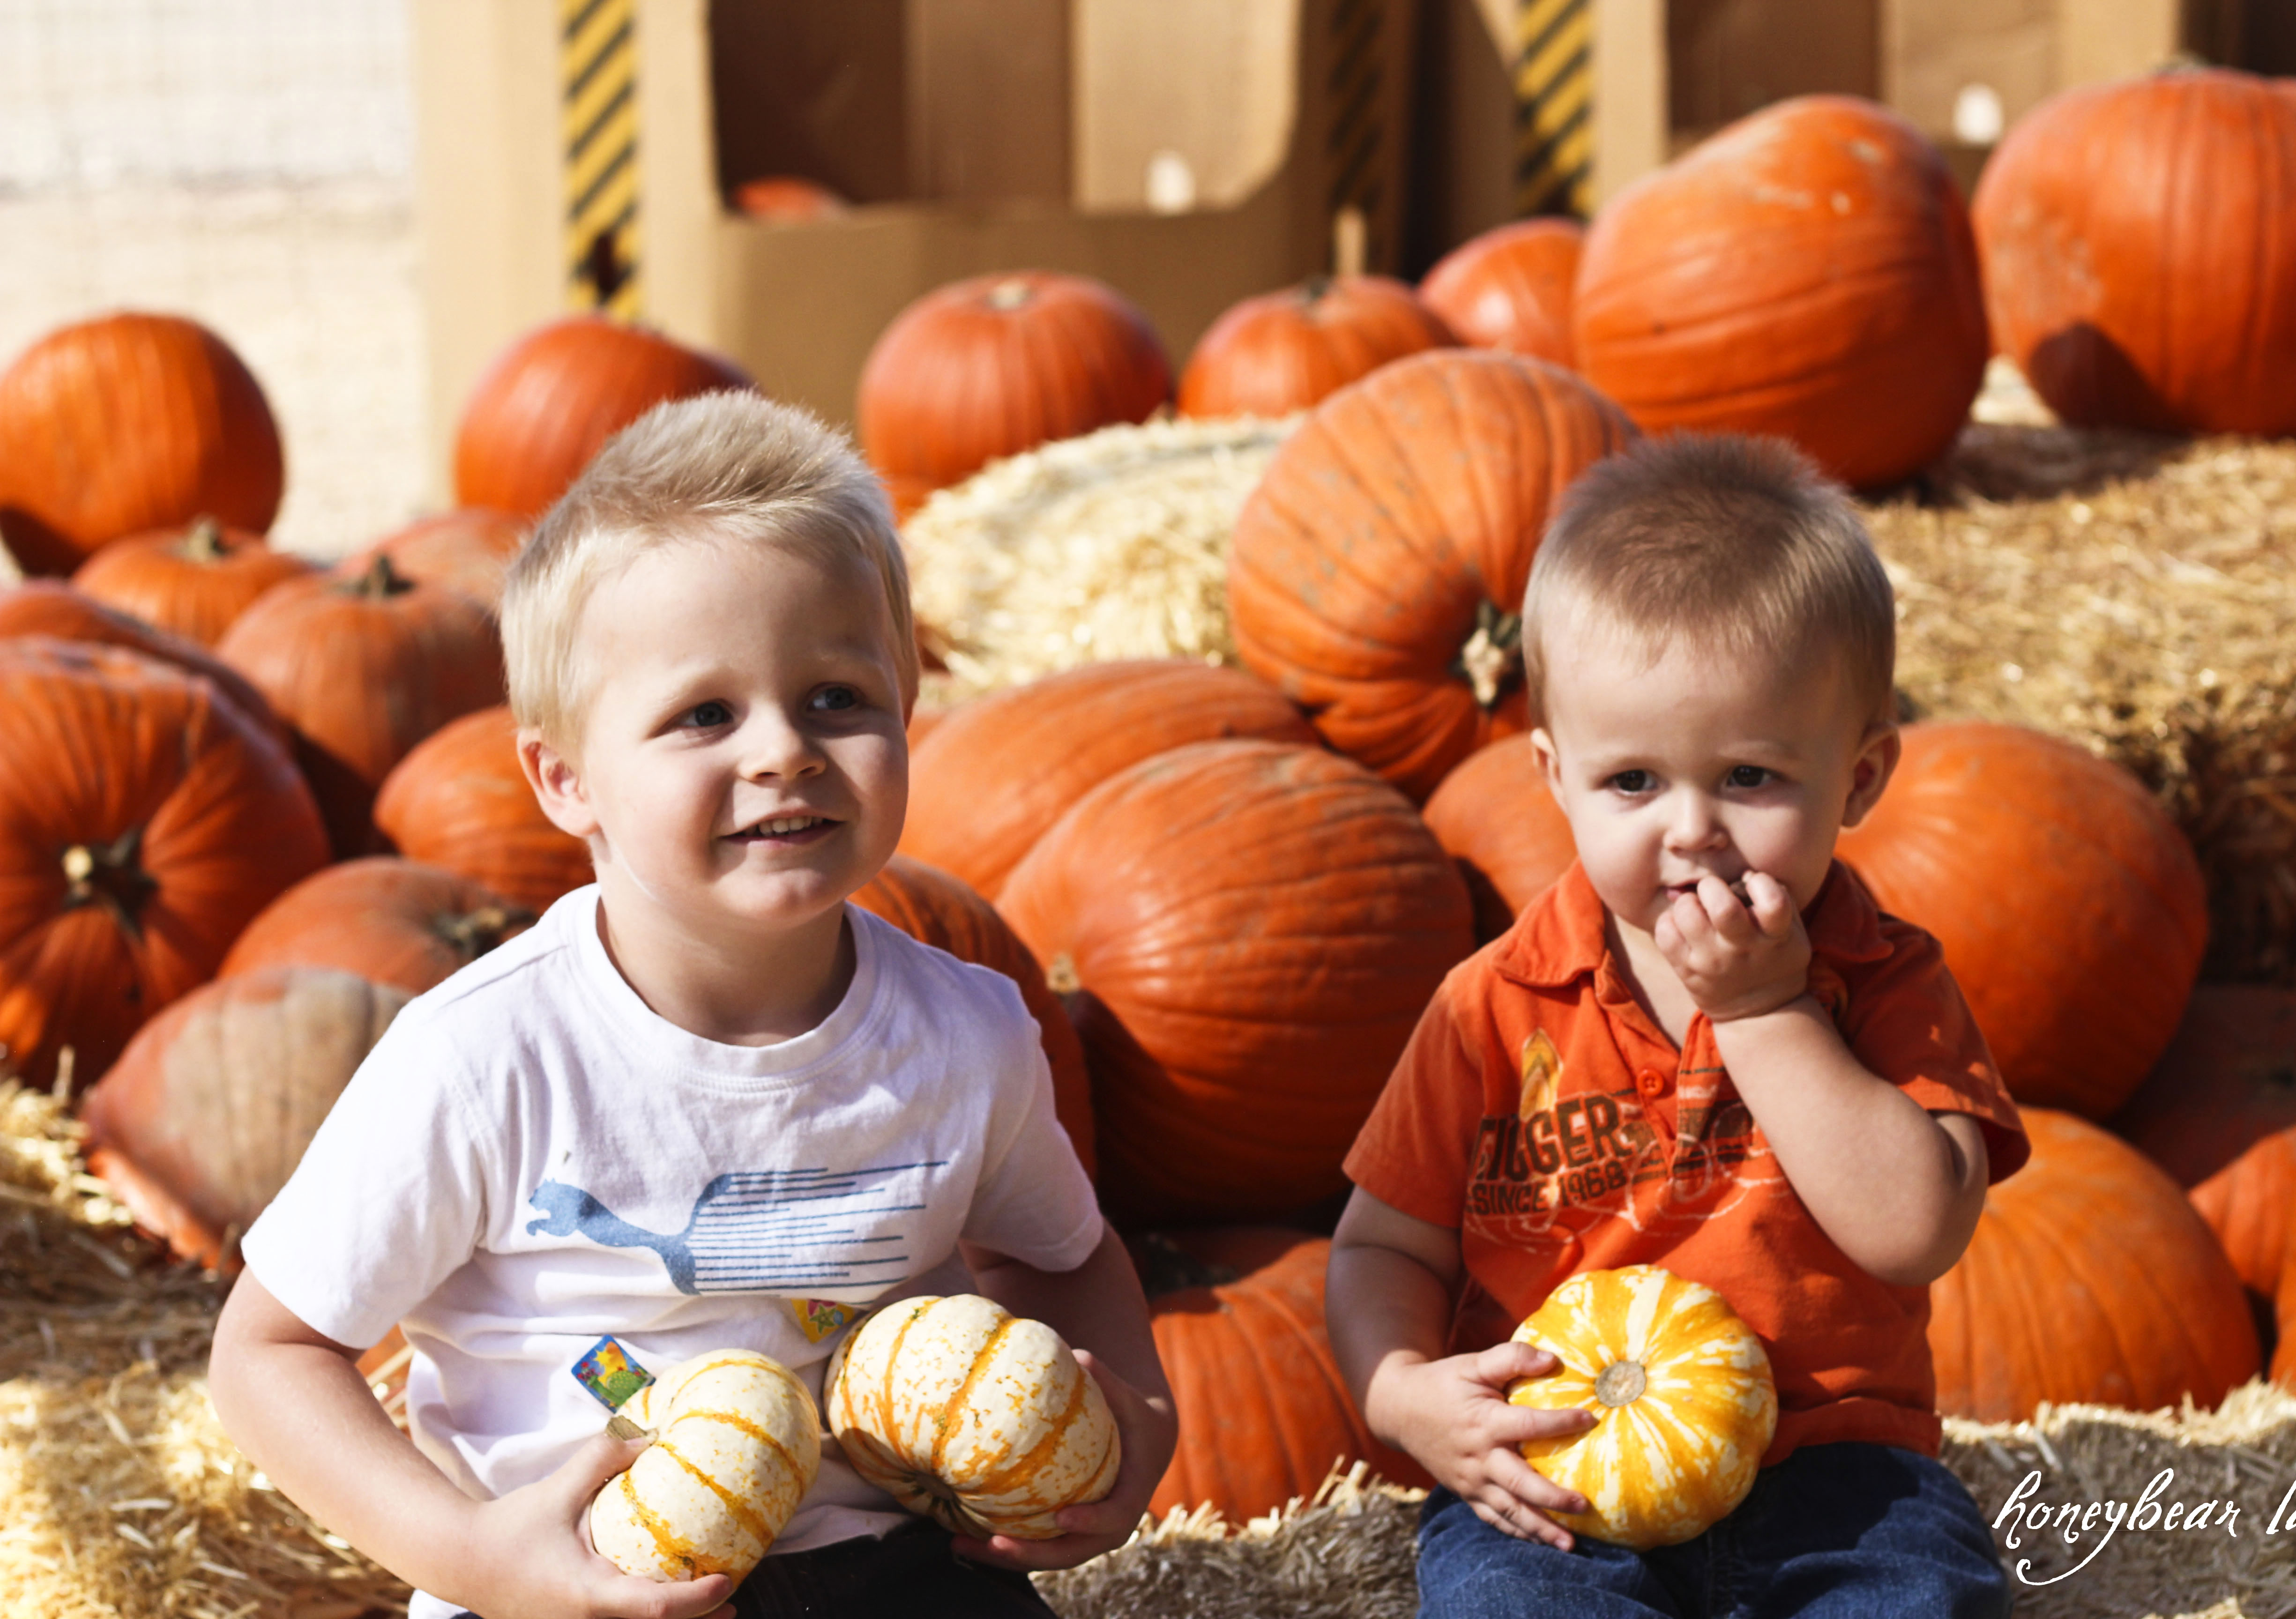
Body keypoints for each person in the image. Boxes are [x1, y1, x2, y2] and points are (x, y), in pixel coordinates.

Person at [210, 392, 1175, 1619]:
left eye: (837, 696)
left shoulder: (967, 1032)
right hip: (580, 1579)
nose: (783, 750)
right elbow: (267, 1356)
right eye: (705, 715)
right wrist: (470, 1558)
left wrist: (1133, 1428)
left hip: (891, 1570)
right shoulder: (486, 1058)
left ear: (907, 709)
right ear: (565, 778)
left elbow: (1061, 1255)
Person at [1327, 432, 2026, 1618]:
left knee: (1921, 1599)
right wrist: (1403, 1395)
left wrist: (1768, 1012)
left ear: (1858, 781)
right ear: (1553, 775)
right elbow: (1383, 1247)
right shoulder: (1493, 1007)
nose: (1690, 829)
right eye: (1633, 783)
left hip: (1838, 1473)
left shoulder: (1885, 981)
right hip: (1559, 1472)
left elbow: (1915, 1229)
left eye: (1750, 777)